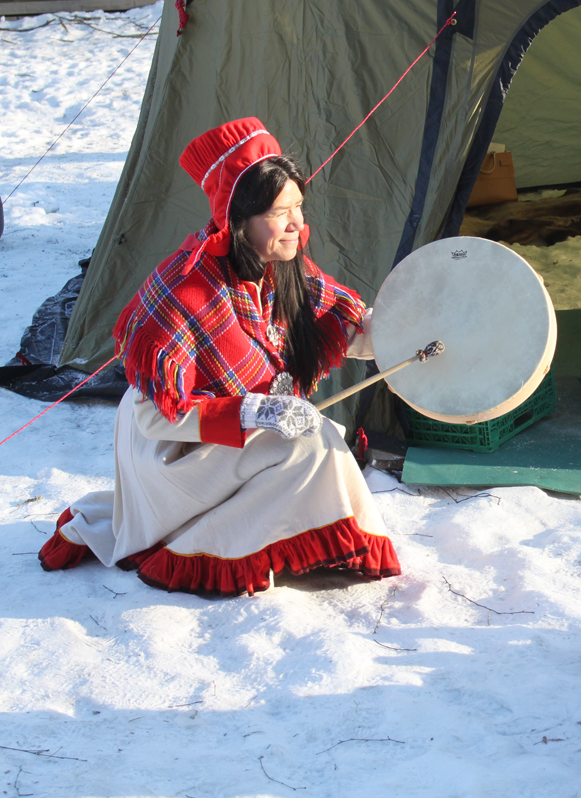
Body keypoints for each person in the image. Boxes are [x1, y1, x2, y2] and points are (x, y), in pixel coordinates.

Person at [38, 117, 401, 596]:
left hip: (228, 431)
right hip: (171, 447)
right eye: (280, 212)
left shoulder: (285, 269)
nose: (297, 223)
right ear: (239, 219)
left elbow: (346, 328)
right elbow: (155, 416)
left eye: (299, 206)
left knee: (321, 438)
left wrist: (412, 331)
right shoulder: (185, 290)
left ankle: (262, 535)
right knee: (312, 444)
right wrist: (257, 409)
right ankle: (195, 549)